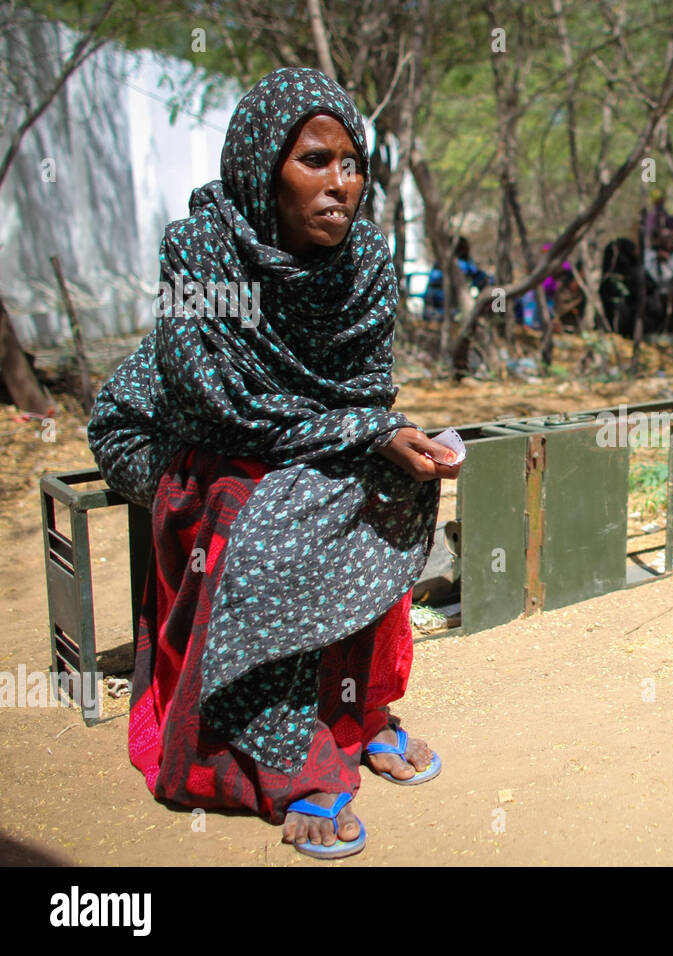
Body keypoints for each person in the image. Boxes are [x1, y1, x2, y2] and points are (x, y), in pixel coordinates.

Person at [87, 68, 458, 861]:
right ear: (263, 168)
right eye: (315, 161)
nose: (341, 185)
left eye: (352, 164)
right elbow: (216, 403)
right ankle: (281, 751)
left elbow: (366, 392)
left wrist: (379, 434)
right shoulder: (199, 251)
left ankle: (355, 710)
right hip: (161, 428)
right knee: (251, 498)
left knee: (379, 480)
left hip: (295, 429)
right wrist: (363, 429)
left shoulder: (365, 259)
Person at [422, 235, 489, 320]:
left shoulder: (439, 264)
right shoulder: (461, 266)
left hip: (428, 312)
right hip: (448, 314)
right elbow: (483, 281)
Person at [644, 226, 673, 334]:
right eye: (665, 239)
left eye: (671, 239)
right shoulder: (648, 255)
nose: (669, 242)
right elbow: (648, 276)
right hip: (653, 293)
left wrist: (669, 262)